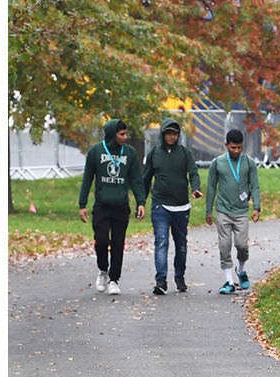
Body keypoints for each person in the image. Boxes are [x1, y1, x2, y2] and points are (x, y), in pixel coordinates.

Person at [77, 119, 144, 295]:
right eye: (121, 134)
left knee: (117, 243)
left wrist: (141, 202)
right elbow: (87, 178)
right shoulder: (95, 151)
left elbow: (136, 179)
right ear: (112, 133)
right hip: (102, 206)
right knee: (101, 240)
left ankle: (114, 279)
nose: (125, 137)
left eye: (126, 134)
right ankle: (102, 271)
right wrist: (82, 204)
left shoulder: (129, 152)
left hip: (121, 207)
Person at [139, 118, 203, 295]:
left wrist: (196, 188)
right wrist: (141, 202)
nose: (172, 136)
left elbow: (193, 173)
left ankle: (179, 276)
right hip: (160, 205)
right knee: (161, 242)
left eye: (175, 133)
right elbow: (146, 179)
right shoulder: (154, 154)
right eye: (168, 133)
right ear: (162, 134)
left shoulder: (185, 153)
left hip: (181, 207)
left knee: (181, 244)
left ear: (178, 135)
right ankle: (161, 281)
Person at [206, 129, 260, 294]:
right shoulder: (218, 162)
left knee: (242, 246)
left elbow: (255, 186)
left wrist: (256, 206)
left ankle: (240, 269)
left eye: (239, 147)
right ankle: (229, 281)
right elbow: (211, 187)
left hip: (241, 211)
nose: (236, 151)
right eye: (233, 147)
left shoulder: (249, 163)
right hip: (223, 210)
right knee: (224, 245)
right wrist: (209, 210)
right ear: (226, 145)